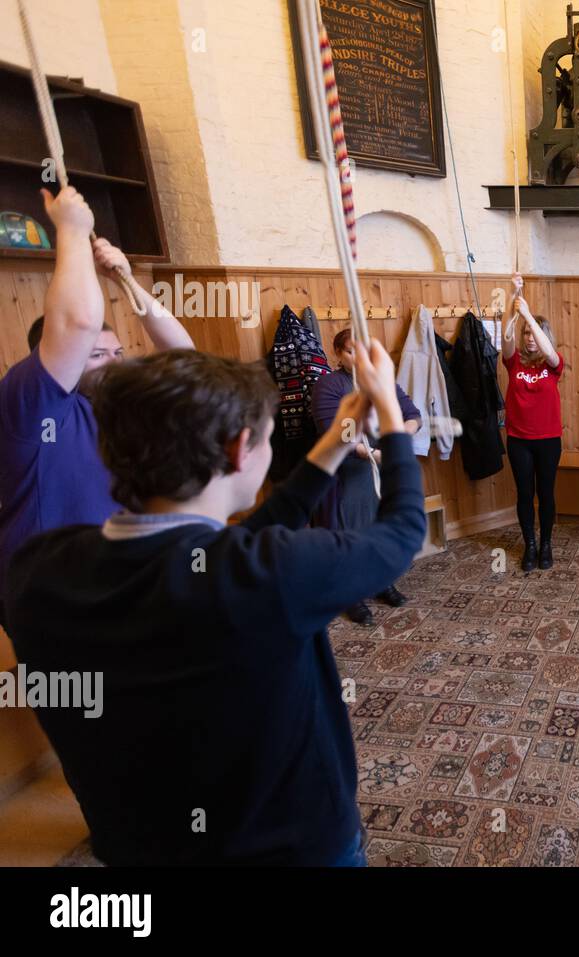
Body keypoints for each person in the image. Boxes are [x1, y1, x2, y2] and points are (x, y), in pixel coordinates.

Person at [4, 341, 425, 865]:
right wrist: (389, 414)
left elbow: (214, 555)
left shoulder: (36, 571)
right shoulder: (265, 573)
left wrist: (337, 441)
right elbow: (403, 531)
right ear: (240, 449)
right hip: (291, 849)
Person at [0, 186, 192, 628]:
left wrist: (124, 279)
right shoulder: (30, 409)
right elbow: (77, 322)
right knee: (86, 700)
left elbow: (186, 359)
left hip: (126, 588)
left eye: (118, 350)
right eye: (96, 354)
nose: (115, 362)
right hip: (57, 603)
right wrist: (71, 231)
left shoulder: (120, 404)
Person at [313, 327, 422, 625]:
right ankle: (351, 593)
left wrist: (400, 436)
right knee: (352, 533)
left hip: (378, 469)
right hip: (346, 473)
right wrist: (373, 453)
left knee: (380, 527)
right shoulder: (329, 386)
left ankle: (381, 581)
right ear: (338, 354)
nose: (357, 357)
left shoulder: (380, 382)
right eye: (349, 351)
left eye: (360, 351)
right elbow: (339, 434)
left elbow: (413, 415)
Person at [502, 274, 564, 571]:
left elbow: (549, 352)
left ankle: (547, 544)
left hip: (549, 439)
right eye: (526, 333)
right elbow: (505, 338)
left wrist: (528, 314)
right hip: (519, 439)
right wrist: (512, 300)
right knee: (525, 493)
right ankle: (530, 545)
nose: (529, 337)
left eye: (534, 333)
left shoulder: (553, 364)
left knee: (547, 493)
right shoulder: (513, 362)